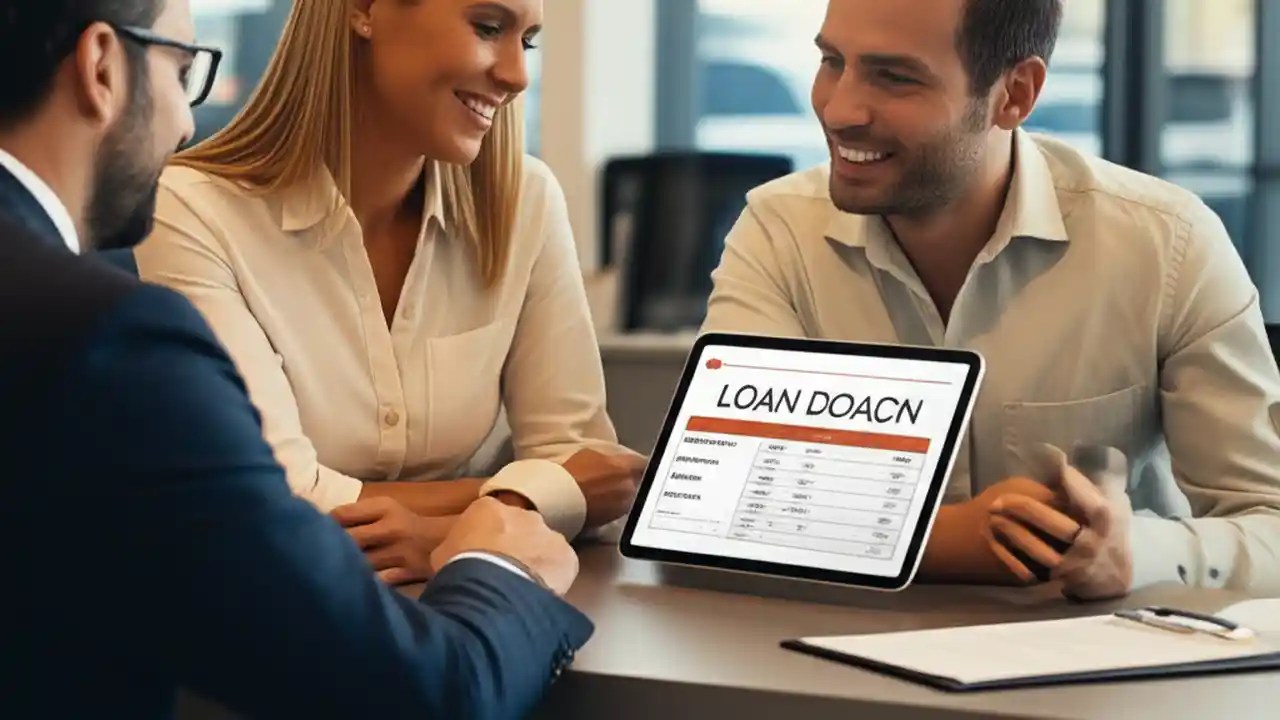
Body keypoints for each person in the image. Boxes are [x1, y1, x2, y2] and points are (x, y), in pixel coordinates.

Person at [1, 1, 593, 716]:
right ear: (100, 67)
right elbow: (420, 695)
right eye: (183, 71)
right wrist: (496, 556)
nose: (187, 124)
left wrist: (457, 518)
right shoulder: (110, 335)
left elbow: (591, 458)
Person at [702, 0, 1280, 600]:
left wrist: (1139, 551)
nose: (838, 109)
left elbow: (1271, 522)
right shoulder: (778, 231)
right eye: (832, 61)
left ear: (1015, 94)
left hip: (1086, 653)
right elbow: (713, 506)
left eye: (894, 77)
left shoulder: (1166, 244)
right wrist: (959, 539)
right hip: (813, 644)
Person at [133, 0, 641, 585]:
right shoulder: (191, 212)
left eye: (526, 42)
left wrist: (435, 536)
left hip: (479, 604)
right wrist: (521, 503)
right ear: (364, 9)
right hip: (274, 609)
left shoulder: (525, 202)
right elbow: (276, 498)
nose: (517, 75)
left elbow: (599, 478)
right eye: (487, 28)